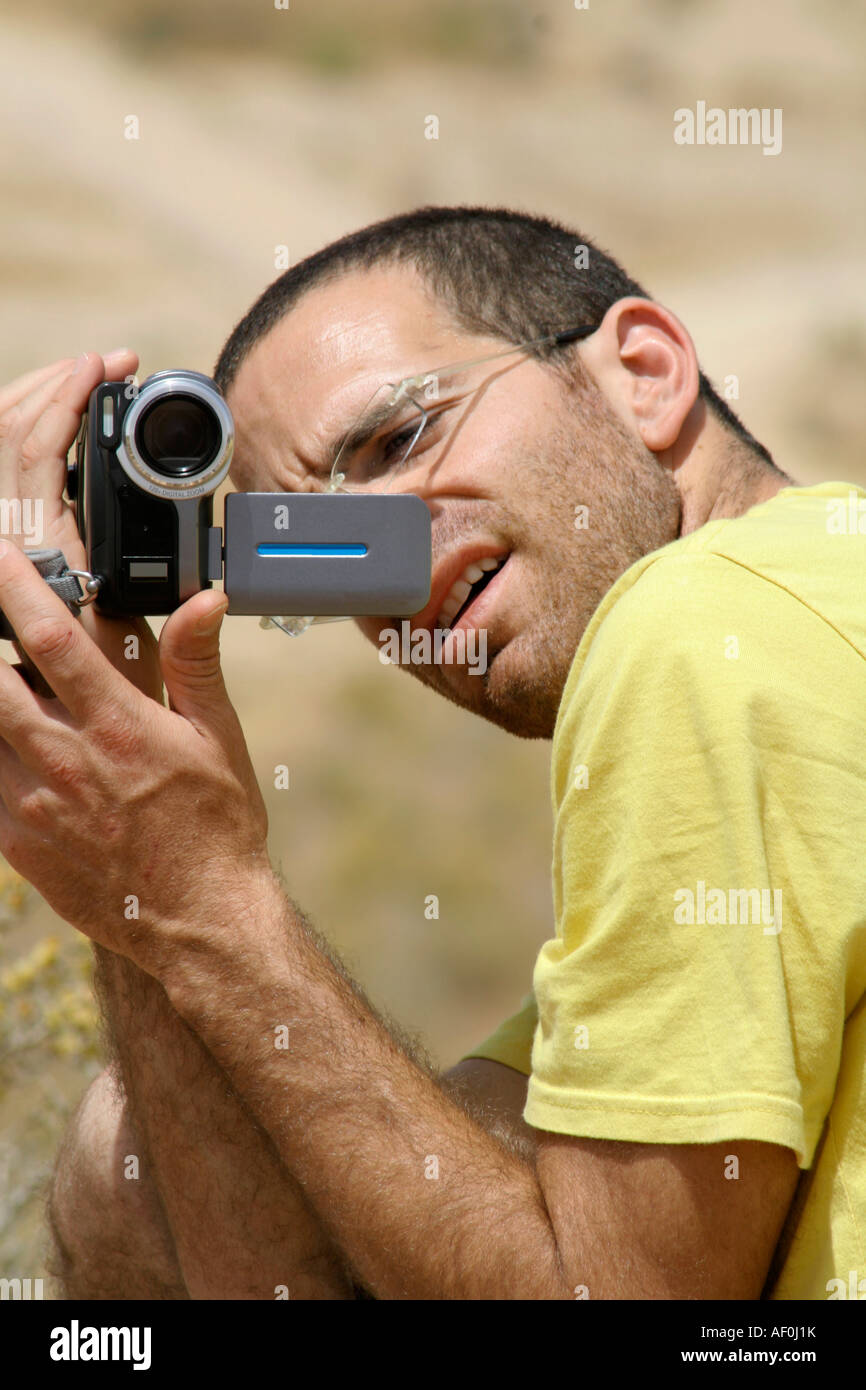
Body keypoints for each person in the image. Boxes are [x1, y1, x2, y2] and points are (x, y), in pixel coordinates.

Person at [1, 206, 863, 1300]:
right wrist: (143, 886)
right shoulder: (805, 599)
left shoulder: (697, 629)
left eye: (401, 439)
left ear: (643, 370)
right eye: (312, 543)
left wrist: (203, 900)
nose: (386, 559)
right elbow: (315, 1279)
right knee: (120, 1156)